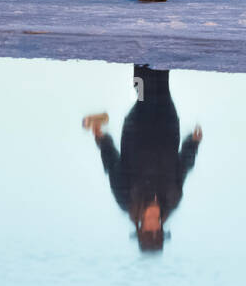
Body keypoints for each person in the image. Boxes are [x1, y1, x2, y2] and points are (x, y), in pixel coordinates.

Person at [82, 64, 203, 253]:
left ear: (140, 226)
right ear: (162, 228)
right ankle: (160, 48)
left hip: (136, 130)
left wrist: (101, 138)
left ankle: (140, 58)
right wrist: (193, 143)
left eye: (149, 226)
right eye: (157, 227)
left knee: (143, 92)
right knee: (162, 86)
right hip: (167, 129)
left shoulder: (126, 199)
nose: (154, 221)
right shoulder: (172, 199)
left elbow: (112, 165)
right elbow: (183, 167)